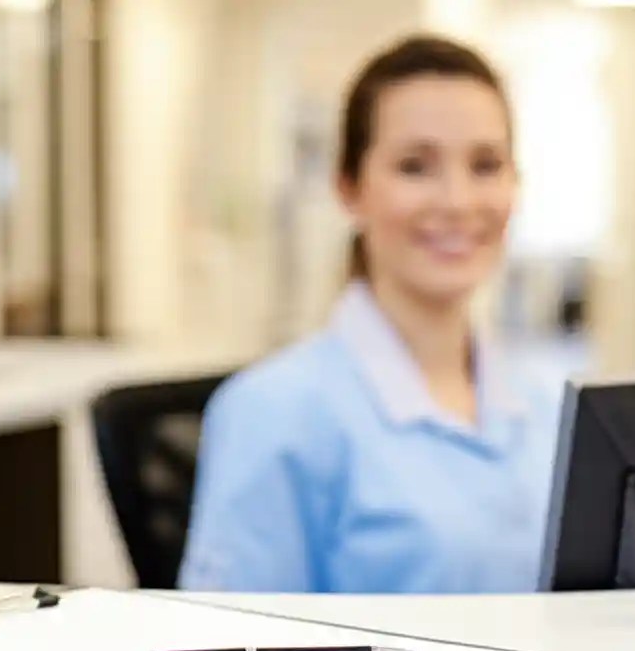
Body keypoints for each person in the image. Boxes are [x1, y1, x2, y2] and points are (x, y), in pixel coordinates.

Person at [178, 35, 557, 593]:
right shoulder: (272, 414)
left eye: (486, 165)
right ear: (350, 189)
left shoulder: (547, 409)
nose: (457, 202)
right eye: (414, 167)